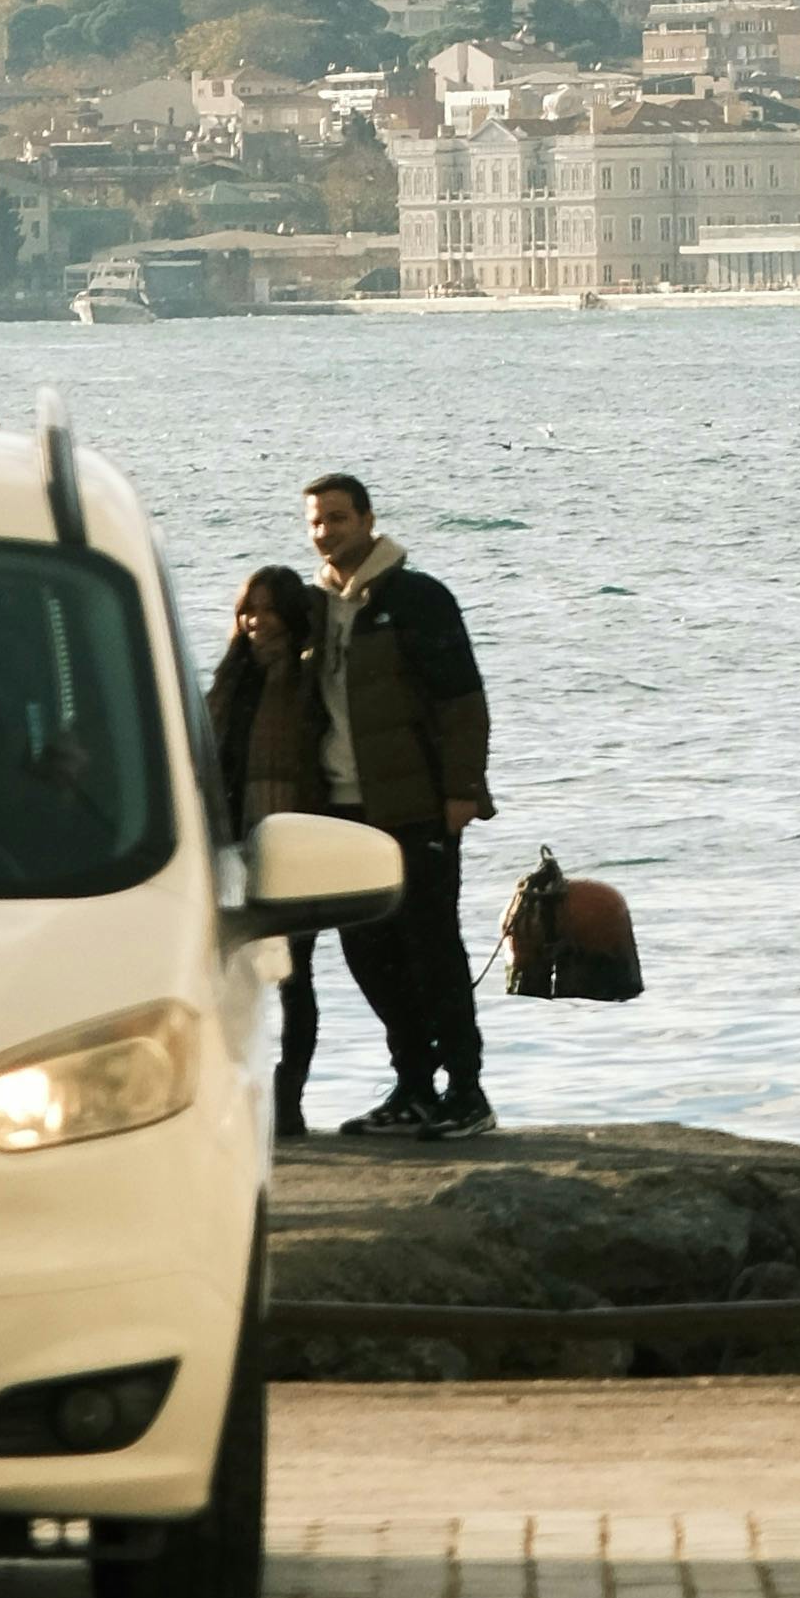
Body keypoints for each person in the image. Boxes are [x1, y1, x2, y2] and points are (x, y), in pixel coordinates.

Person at [300, 469, 499, 1145]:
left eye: (338, 518)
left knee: (432, 949)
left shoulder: (418, 598)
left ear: (368, 520)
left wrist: (462, 793)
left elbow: (463, 703)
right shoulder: (313, 609)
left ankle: (467, 1091)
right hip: (341, 810)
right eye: (316, 521)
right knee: (367, 953)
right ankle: (413, 1085)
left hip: (415, 807)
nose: (326, 532)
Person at [207, 564, 327, 1147]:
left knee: (294, 977)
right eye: (248, 610)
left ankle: (289, 1098)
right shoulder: (231, 678)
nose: (257, 621)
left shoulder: (308, 679)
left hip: (289, 841)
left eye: (269, 609)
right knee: (228, 973)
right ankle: (231, 1095)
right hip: (227, 842)